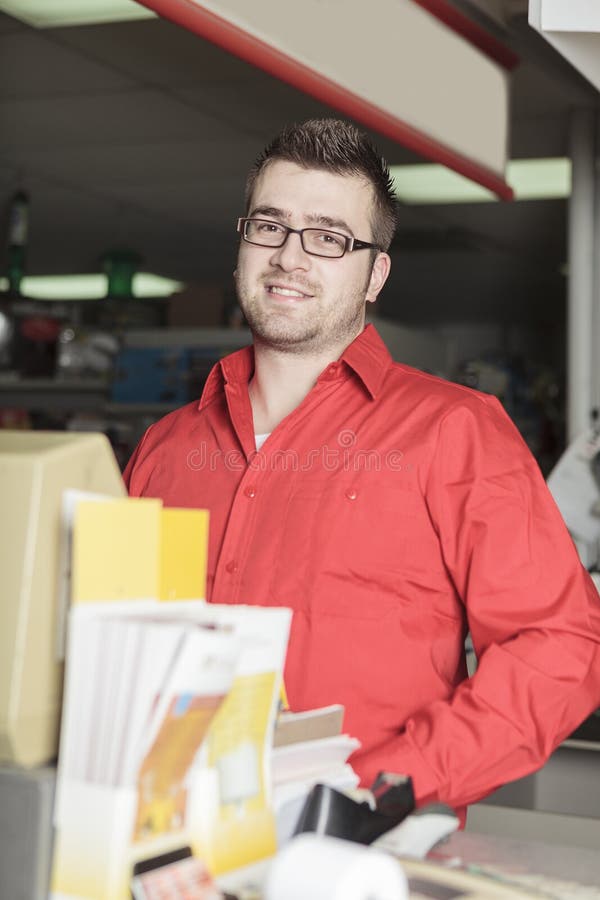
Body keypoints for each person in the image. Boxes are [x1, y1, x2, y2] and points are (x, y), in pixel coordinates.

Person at [124, 118, 600, 822]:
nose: (290, 256)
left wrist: (380, 789)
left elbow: (561, 646)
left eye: (328, 237)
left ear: (375, 274)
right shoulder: (165, 449)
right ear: (243, 243)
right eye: (270, 226)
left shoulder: (455, 432)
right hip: (162, 839)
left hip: (357, 853)